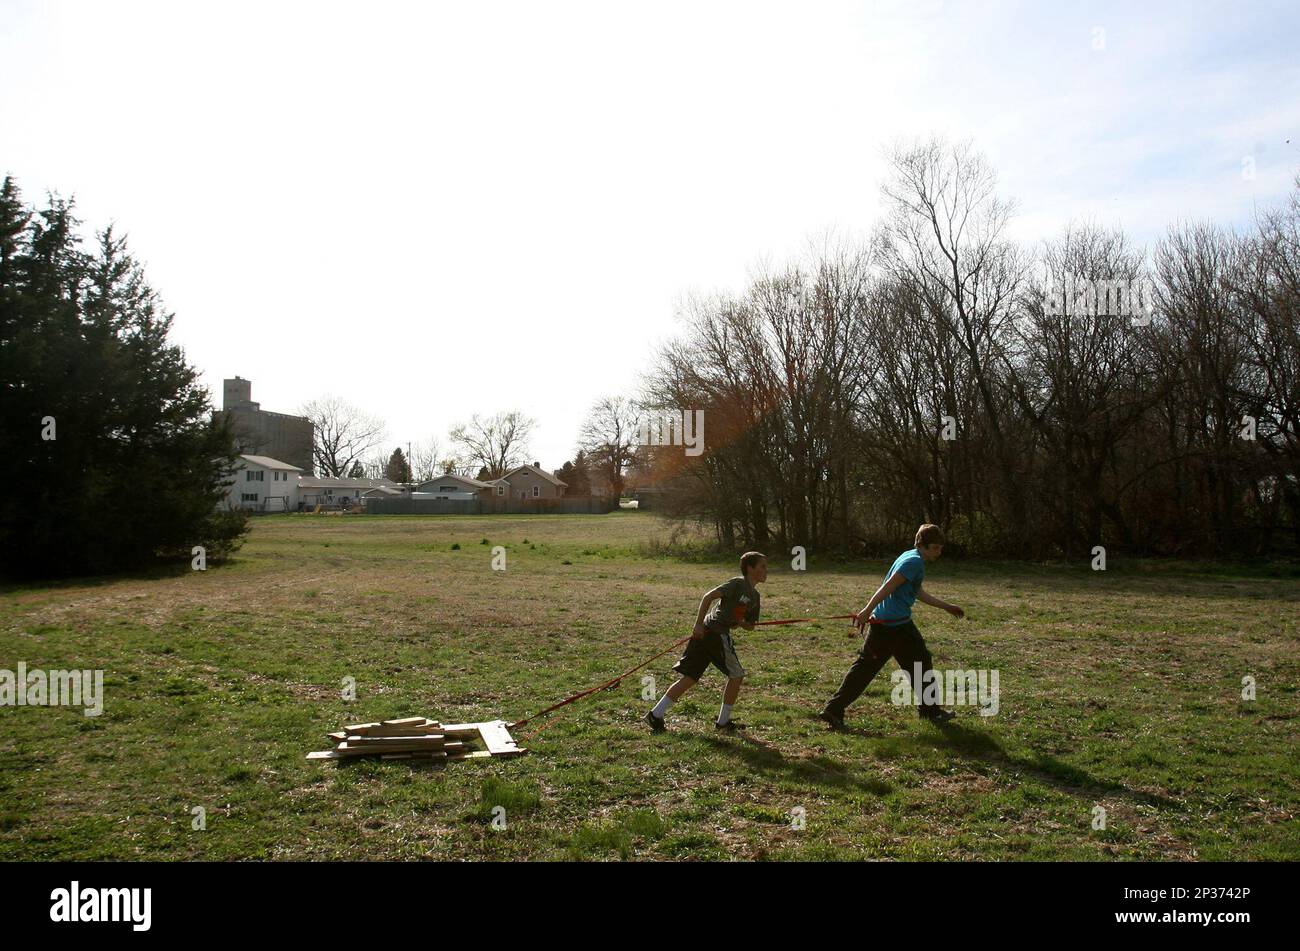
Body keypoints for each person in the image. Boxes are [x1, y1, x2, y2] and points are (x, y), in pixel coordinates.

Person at [818, 525, 963, 729]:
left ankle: (930, 711)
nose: (939, 552)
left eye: (940, 548)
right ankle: (930, 712)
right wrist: (867, 610)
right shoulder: (914, 562)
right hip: (892, 627)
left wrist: (946, 606)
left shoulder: (910, 556)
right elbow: (888, 586)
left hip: (894, 624)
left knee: (912, 663)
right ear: (923, 545)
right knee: (872, 669)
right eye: (936, 548)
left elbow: (916, 591)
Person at [646, 551, 767, 733]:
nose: (766, 571)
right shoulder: (737, 584)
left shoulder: (755, 597)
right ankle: (722, 723)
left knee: (691, 677)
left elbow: (750, 626)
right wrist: (698, 625)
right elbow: (708, 597)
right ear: (750, 568)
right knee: (736, 675)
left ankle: (655, 715)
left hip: (715, 633)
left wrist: (741, 622)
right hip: (712, 633)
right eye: (762, 567)